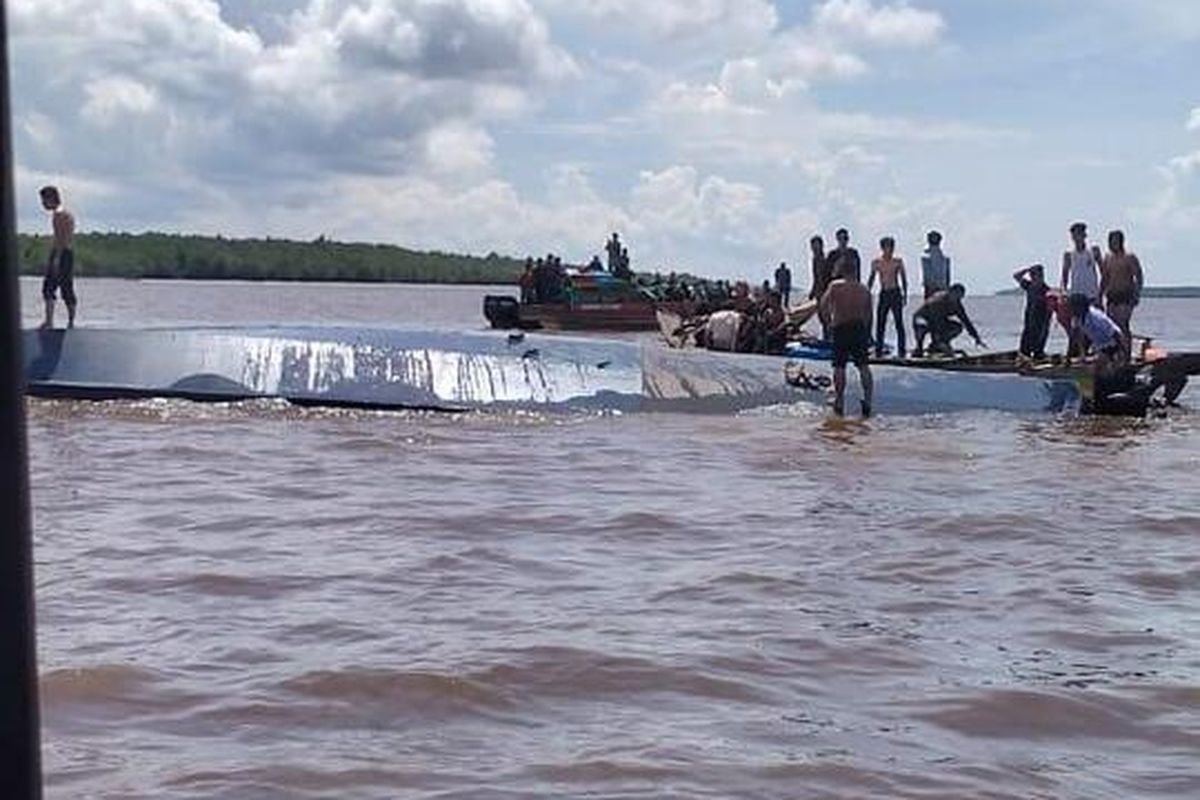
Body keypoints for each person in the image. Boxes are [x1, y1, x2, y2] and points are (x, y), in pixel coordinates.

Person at [819, 266, 874, 417]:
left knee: (839, 366)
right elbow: (869, 313)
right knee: (863, 365)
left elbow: (823, 305)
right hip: (858, 327)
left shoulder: (835, 286)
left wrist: (828, 324)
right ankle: (868, 400)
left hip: (840, 327)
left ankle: (839, 400)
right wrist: (868, 333)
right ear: (856, 272)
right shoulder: (864, 289)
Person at [1100, 229, 1144, 356]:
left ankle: (1127, 354)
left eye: (1114, 241)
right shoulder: (1108, 258)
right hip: (1112, 296)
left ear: (1120, 242)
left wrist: (1136, 295)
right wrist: (1099, 294)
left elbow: (1139, 277)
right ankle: (1115, 353)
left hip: (1126, 296)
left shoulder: (1129, 257)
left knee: (1123, 324)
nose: (1111, 244)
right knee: (1111, 326)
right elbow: (1105, 278)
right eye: (1110, 241)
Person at [39, 185, 77, 329]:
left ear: (51, 199)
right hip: (66, 253)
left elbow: (62, 238)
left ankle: (50, 321)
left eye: (44, 201)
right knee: (65, 287)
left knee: (50, 287)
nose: (43, 204)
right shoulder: (65, 214)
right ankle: (70, 321)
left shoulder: (59, 215)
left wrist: (56, 257)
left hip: (62, 253)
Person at [912, 284, 986, 357]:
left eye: (960, 297)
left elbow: (966, 322)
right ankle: (919, 347)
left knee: (957, 327)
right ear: (950, 292)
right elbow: (936, 321)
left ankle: (937, 345)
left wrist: (976, 338)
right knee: (922, 326)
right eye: (956, 295)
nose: (957, 299)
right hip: (923, 318)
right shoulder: (938, 300)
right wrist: (938, 340)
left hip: (939, 320)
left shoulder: (957, 305)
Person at [867, 236, 907, 358]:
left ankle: (902, 350)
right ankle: (878, 350)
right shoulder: (876, 262)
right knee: (881, 322)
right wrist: (867, 293)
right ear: (883, 248)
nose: (890, 250)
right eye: (887, 247)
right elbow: (872, 278)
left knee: (898, 322)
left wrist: (905, 294)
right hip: (884, 293)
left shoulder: (897, 261)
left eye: (891, 247)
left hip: (895, 293)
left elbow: (903, 279)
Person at [1068, 293, 1126, 370]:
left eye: (1073, 307)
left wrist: (1123, 354)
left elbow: (1115, 334)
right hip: (1099, 345)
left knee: (1099, 364)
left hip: (1112, 344)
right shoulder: (1076, 318)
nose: (1071, 309)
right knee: (1079, 362)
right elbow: (1076, 336)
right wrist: (1081, 355)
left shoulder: (1096, 318)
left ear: (1080, 307)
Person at [1013, 264, 1051, 359]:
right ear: (1032, 277)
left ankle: (1038, 355)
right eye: (1039, 276)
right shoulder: (1029, 286)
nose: (1041, 278)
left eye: (1042, 276)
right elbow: (1016, 276)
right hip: (1029, 320)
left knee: (1039, 342)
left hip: (1041, 322)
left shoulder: (1046, 290)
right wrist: (1027, 270)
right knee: (1025, 346)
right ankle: (1025, 357)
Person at [920, 230, 951, 298]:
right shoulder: (945, 259)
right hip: (942, 288)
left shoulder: (925, 258)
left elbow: (926, 276)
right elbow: (948, 278)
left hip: (931, 289)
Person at [808, 235, 831, 301]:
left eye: (816, 246)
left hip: (825, 289)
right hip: (819, 290)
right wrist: (813, 291)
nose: (814, 248)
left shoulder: (824, 259)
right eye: (813, 246)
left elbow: (824, 276)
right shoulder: (815, 260)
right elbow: (816, 277)